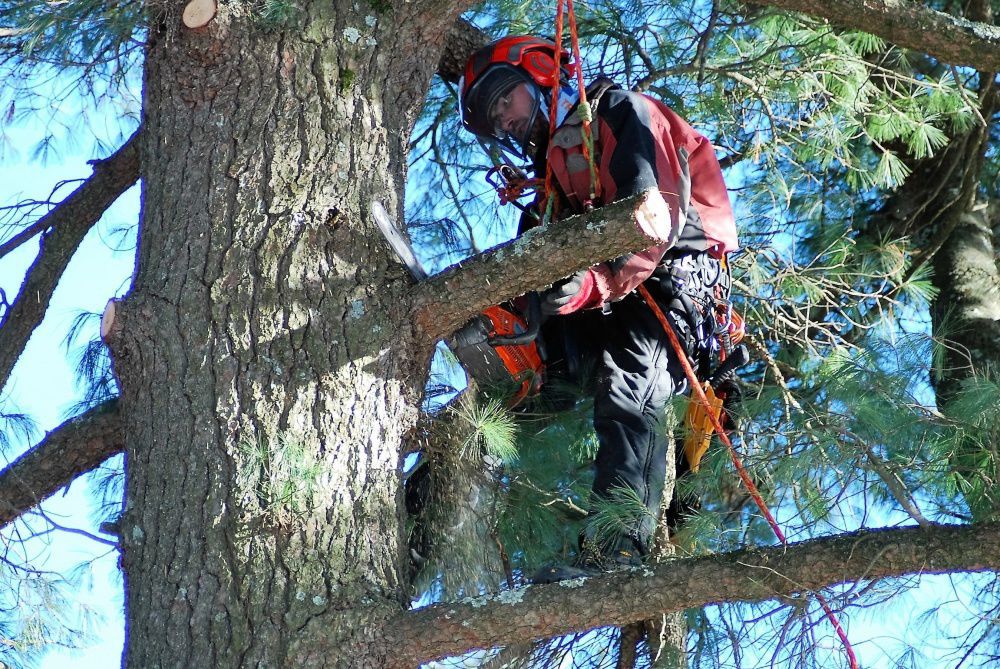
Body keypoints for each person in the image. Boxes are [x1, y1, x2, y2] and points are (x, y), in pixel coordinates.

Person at [458, 35, 739, 579]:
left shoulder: (616, 113)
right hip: (614, 293)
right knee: (549, 372)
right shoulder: (552, 177)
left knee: (628, 381)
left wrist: (591, 285)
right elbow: (538, 254)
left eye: (505, 100)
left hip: (675, 275)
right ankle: (510, 367)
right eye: (494, 118)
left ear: (539, 73)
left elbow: (651, 218)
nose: (504, 121)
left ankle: (617, 547)